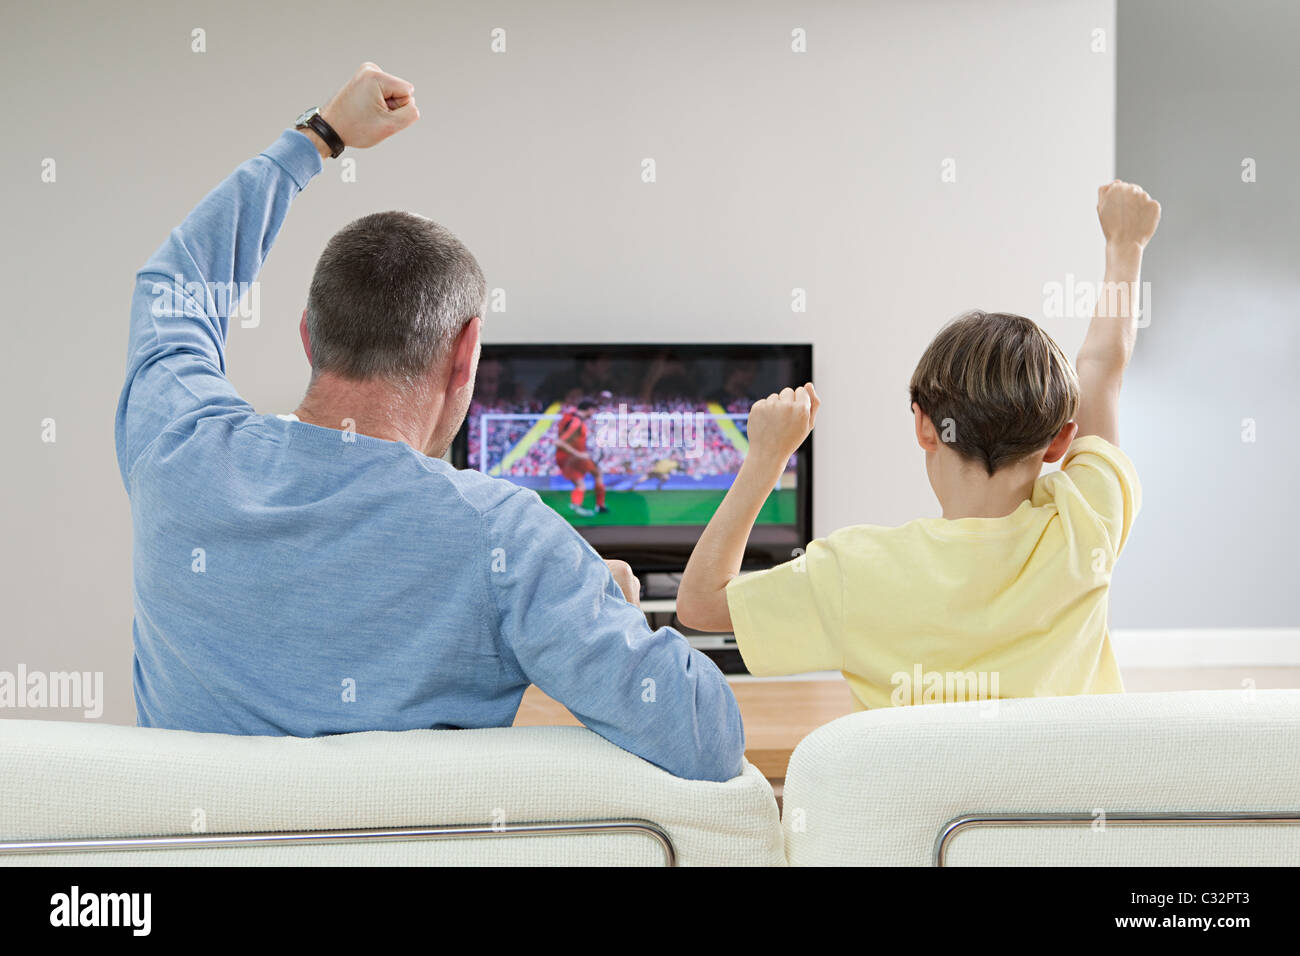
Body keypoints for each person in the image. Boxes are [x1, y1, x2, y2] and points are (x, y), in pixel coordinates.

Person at [116, 63, 743, 782]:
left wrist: (319, 137)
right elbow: (708, 737)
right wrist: (603, 611)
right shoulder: (510, 541)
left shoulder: (178, 451)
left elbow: (174, 283)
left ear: (308, 337)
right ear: (466, 353)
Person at [676, 181, 1160, 711]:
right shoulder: (1086, 523)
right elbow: (1101, 369)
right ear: (1060, 442)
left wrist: (766, 460)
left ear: (924, 427)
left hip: (925, 799)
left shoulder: (854, 571)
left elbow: (699, 604)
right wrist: (1125, 247)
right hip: (1064, 796)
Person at [554, 400, 608, 516]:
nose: (594, 413)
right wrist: (579, 454)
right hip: (571, 458)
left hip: (569, 457)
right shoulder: (576, 422)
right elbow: (559, 442)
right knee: (585, 481)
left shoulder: (572, 418)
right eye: (593, 410)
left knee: (595, 474)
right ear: (589, 409)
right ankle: (587, 505)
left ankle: (597, 505)